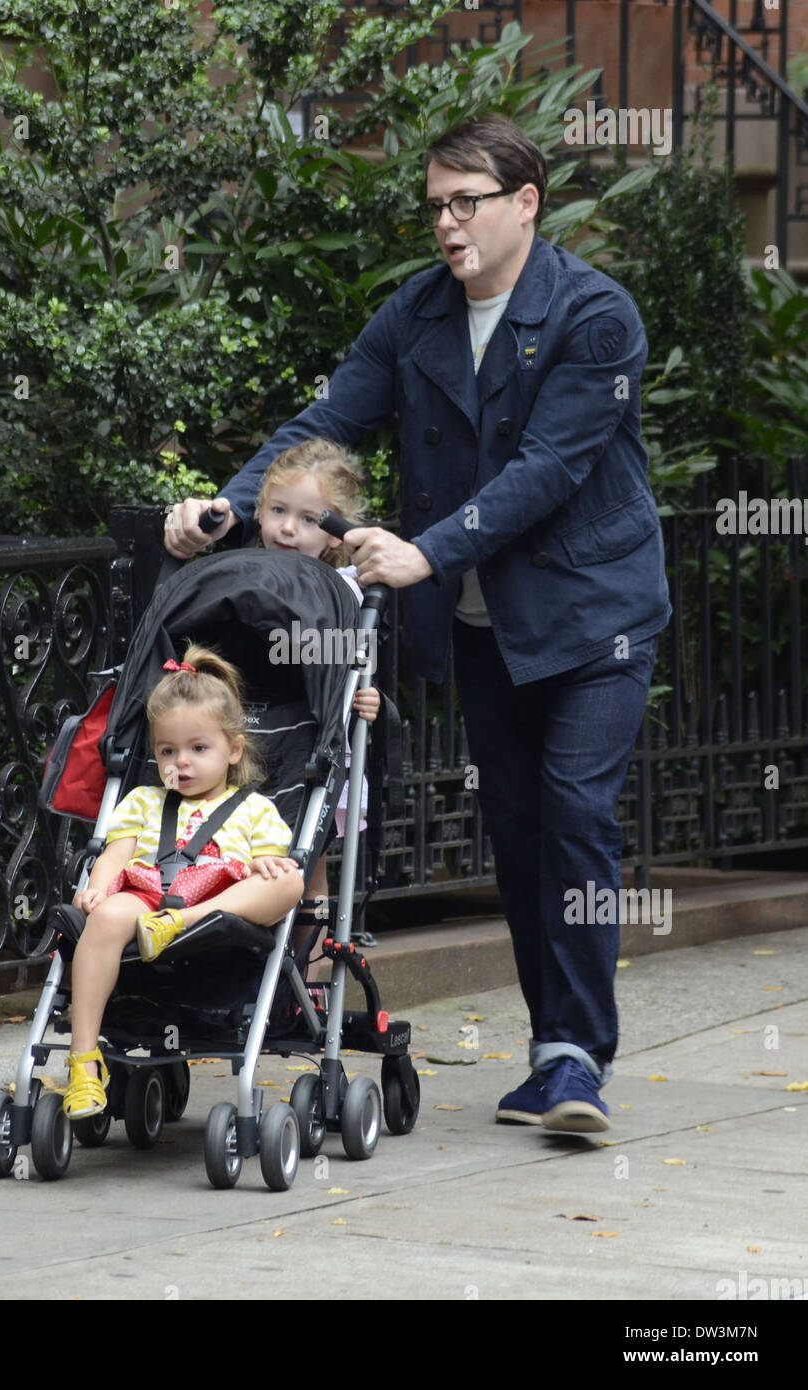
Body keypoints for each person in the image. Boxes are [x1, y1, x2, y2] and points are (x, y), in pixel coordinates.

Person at [164, 115, 671, 1134]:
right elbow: (328, 420)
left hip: (593, 614)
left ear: (525, 203)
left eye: (466, 201)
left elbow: (551, 470)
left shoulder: (597, 317)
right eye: (435, 202)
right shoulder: (418, 312)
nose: (447, 222)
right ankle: (552, 1048)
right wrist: (225, 502)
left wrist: (430, 549)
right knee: (522, 833)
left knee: (574, 811)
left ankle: (577, 1057)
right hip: (487, 623)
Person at [63, 643, 304, 1119]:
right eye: (167, 751)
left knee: (289, 881)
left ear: (233, 748)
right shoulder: (142, 802)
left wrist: (265, 865)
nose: (182, 764)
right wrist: (97, 886)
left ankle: (181, 921)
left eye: (198, 749)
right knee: (109, 914)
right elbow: (117, 854)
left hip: (219, 905)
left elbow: (266, 863)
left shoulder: (255, 809)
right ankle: (84, 1063)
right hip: (149, 893)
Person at [253, 437, 381, 963]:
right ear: (260, 510)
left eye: (309, 519)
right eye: (278, 511)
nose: (288, 528)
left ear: (333, 532)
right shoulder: (242, 579)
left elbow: (355, 667)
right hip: (255, 735)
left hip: (317, 749)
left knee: (311, 863)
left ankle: (300, 975)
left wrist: (367, 698)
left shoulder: (342, 590)